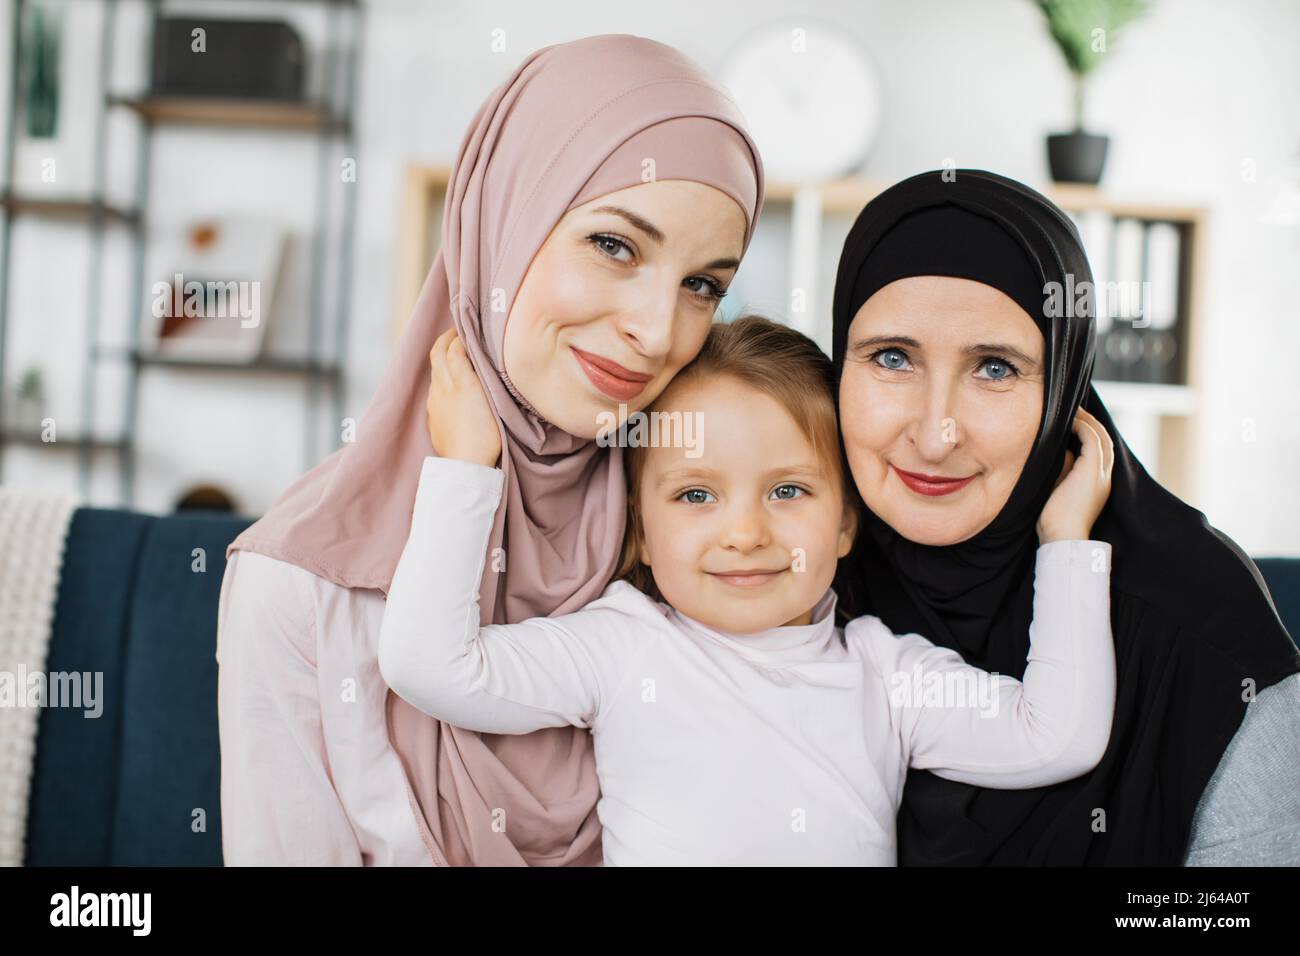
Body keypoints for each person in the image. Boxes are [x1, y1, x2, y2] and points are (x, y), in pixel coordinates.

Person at [215, 34, 764, 866]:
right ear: (502, 218)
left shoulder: (700, 536)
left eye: (702, 286)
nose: (656, 332)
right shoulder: (298, 587)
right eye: (614, 245)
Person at [378, 316, 1117, 865]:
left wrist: (1067, 541)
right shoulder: (624, 644)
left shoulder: (884, 675)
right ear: (641, 531)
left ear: (845, 525)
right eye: (696, 496)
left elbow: (1056, 735)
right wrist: (466, 467)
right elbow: (429, 665)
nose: (743, 534)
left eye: (788, 490)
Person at [831, 168, 1300, 865]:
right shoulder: (778, 569)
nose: (935, 435)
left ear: (1064, 391)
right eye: (892, 358)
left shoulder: (1201, 622)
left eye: (995, 368)